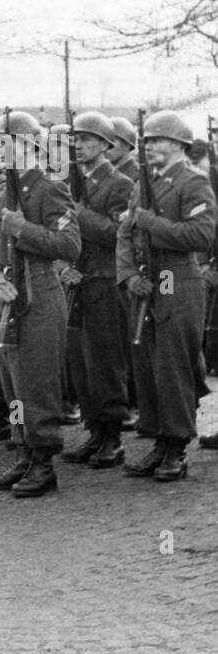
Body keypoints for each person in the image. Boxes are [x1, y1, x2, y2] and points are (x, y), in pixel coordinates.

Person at [0, 109, 80, 498]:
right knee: (13, 383)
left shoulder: (50, 187)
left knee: (37, 382)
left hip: (39, 294)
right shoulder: (0, 190)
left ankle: (43, 460)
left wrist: (24, 230)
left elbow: (69, 245)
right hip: (5, 296)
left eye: (6, 144)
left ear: (29, 146)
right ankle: (23, 450)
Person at [115, 110, 216, 481]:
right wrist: (127, 275)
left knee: (173, 364)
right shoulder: (143, 183)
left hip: (175, 275)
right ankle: (160, 436)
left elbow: (201, 236)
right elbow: (124, 234)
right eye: (149, 140)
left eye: (158, 140)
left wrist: (151, 223)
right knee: (149, 363)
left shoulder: (193, 182)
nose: (151, 146)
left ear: (179, 145)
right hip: (148, 278)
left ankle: (176, 445)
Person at [58, 112, 134, 469]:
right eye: (77, 139)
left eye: (88, 140)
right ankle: (95, 429)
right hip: (78, 279)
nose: (80, 145)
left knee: (105, 360)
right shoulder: (73, 181)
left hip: (105, 278)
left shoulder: (119, 184)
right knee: (81, 363)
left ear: (106, 144)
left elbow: (116, 233)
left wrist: (78, 214)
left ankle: (113, 436)